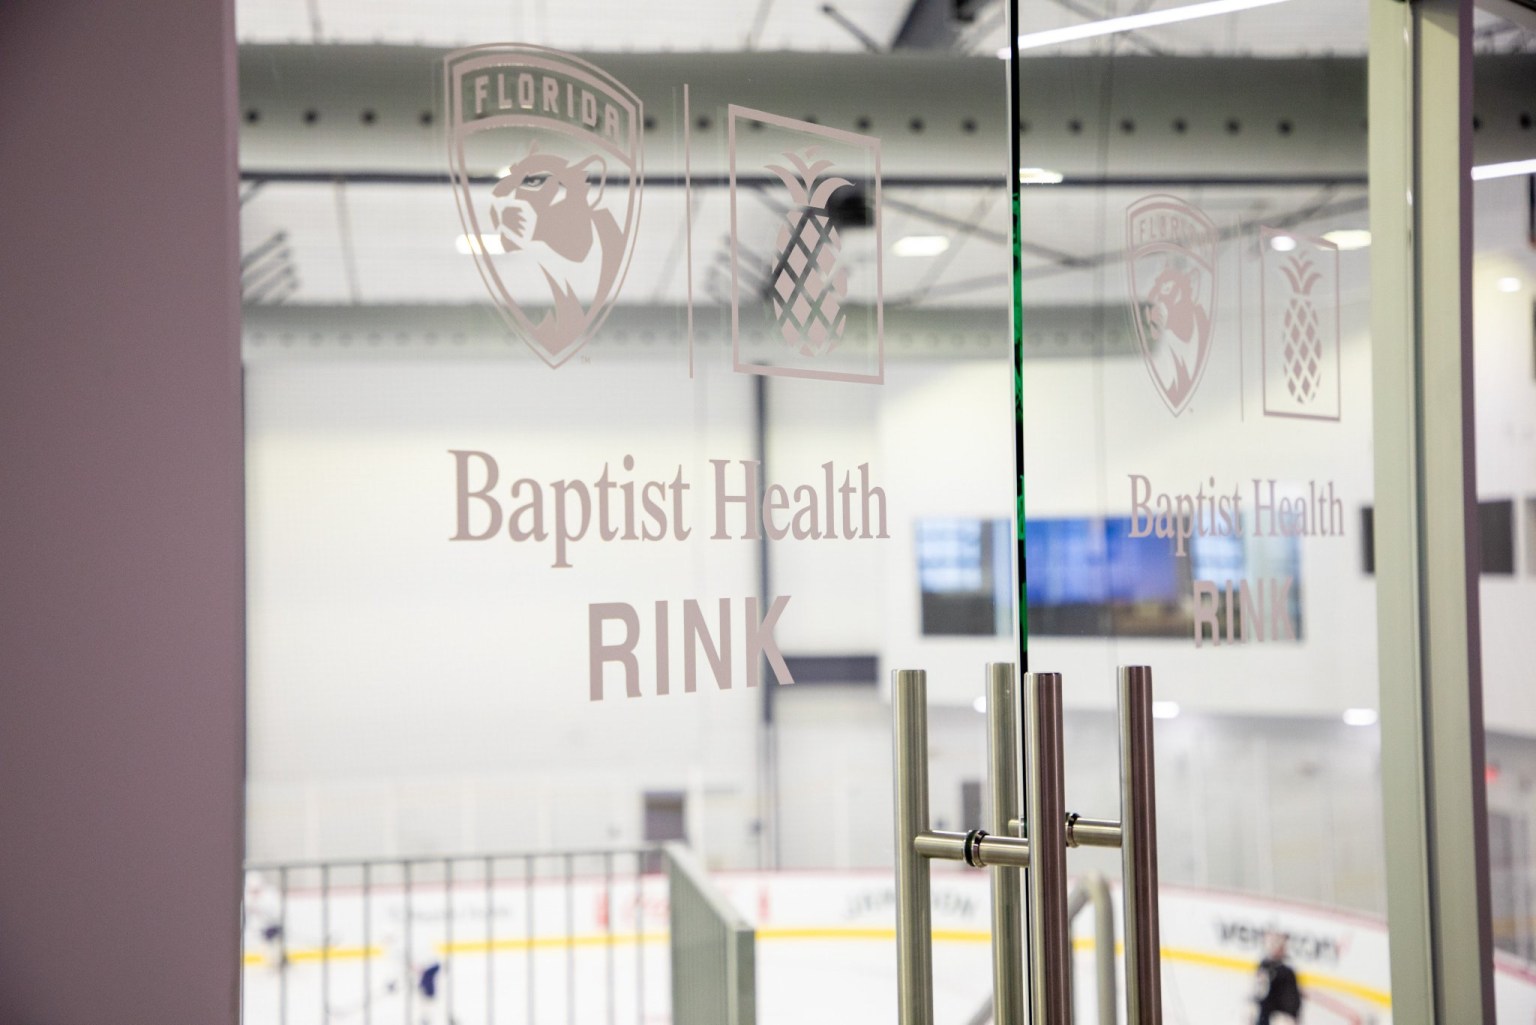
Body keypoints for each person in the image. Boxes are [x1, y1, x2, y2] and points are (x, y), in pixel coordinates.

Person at [1253, 932, 1304, 1023]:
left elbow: (1293, 998)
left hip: (1282, 1012)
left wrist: (1293, 1014)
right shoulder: (1265, 966)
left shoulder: (1288, 970)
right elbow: (1260, 993)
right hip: (1268, 1012)